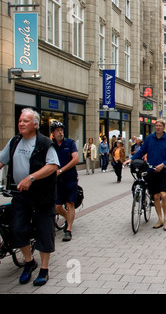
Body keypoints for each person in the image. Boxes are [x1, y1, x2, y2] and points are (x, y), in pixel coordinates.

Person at [0, 108, 59, 286]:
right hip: (21, 195)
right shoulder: (15, 141)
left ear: (35, 124)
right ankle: (29, 262)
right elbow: (2, 160)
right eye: (20, 121)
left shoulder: (43, 143)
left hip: (42, 196)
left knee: (44, 231)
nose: (21, 124)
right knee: (17, 230)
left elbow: (53, 166)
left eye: (25, 121)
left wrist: (30, 178)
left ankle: (44, 269)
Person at [124, 119, 166, 230]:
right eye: (156, 125)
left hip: (163, 171)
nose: (158, 127)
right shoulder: (149, 138)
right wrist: (131, 159)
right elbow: (142, 151)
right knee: (155, 196)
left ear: (163, 127)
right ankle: (159, 219)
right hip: (151, 171)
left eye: (160, 125)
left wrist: (163, 164)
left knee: (163, 195)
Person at [51, 121, 79, 242]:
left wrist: (61, 170)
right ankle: (69, 217)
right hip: (56, 180)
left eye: (61, 130)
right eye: (57, 130)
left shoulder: (70, 143)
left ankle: (68, 230)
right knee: (57, 206)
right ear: (53, 133)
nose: (60, 132)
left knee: (69, 204)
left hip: (70, 178)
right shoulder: (50, 145)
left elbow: (75, 159)